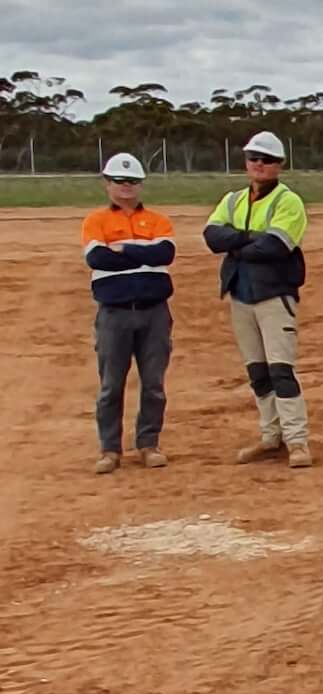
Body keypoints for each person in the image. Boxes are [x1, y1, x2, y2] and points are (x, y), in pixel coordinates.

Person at [205, 132, 311, 467]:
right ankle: (271, 437)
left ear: (280, 165)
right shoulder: (234, 199)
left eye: (267, 160)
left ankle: (297, 441)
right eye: (254, 158)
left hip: (274, 295)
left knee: (281, 370)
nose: (259, 164)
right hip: (241, 294)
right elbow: (212, 236)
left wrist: (235, 243)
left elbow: (274, 247)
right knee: (258, 372)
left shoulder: (288, 202)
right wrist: (250, 239)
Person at [83, 152, 175, 474]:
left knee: (154, 384)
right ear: (107, 183)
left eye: (133, 181)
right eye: (119, 181)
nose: (126, 186)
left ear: (141, 185)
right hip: (114, 314)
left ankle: (148, 444)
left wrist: (123, 248)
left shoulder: (158, 220)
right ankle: (110, 449)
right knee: (111, 385)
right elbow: (98, 259)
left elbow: (165, 253)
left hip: (154, 312)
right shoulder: (95, 220)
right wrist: (143, 253)